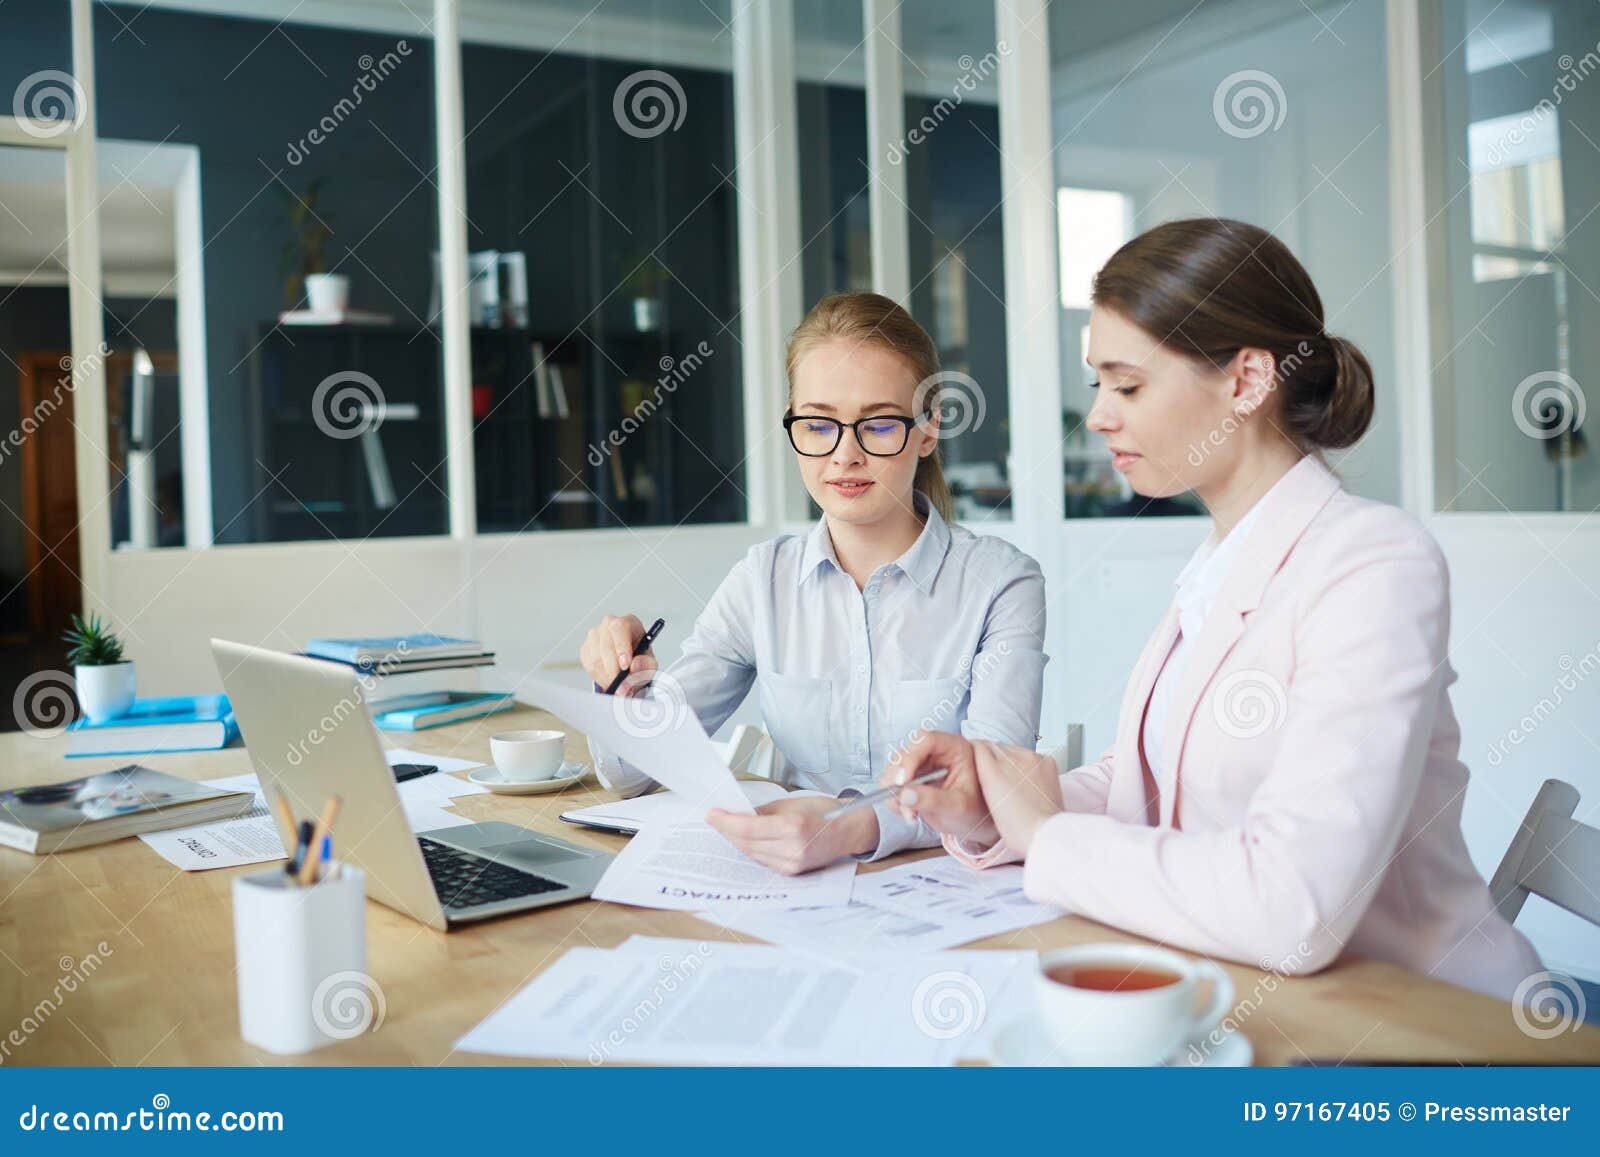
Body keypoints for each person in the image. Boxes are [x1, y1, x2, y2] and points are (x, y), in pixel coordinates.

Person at [882, 218, 1542, 1000]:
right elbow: (1160, 778)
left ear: (1247, 381)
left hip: (1424, 1029)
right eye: (1099, 384)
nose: (1097, 415)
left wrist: (1049, 837)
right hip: (1249, 991)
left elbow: (1292, 908)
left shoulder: (1374, 563)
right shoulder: (1219, 563)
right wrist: (1001, 797)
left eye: (1128, 385)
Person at [579, 292, 1048, 871]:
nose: (844, 455)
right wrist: (622, 686)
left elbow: (995, 797)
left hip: (949, 896)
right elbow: (631, 774)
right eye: (820, 424)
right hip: (793, 890)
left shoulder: (1002, 583)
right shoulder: (762, 580)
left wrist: (848, 829)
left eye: (877, 425)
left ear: (928, 431)